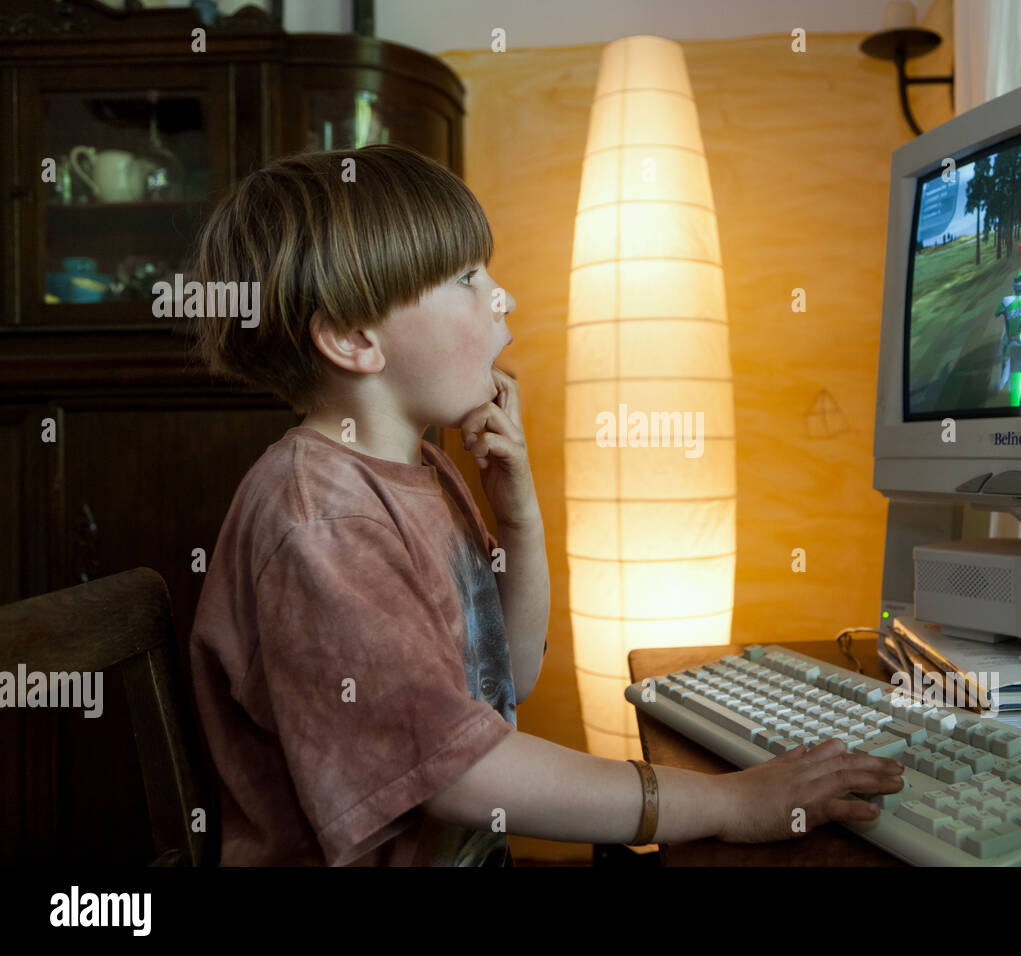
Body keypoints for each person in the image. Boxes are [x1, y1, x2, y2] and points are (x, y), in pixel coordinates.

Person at [187, 144, 903, 866]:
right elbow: (459, 771)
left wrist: (519, 518)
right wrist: (729, 802)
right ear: (352, 337)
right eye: (468, 278)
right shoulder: (324, 518)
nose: (505, 298)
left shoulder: (423, 468)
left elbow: (510, 674)